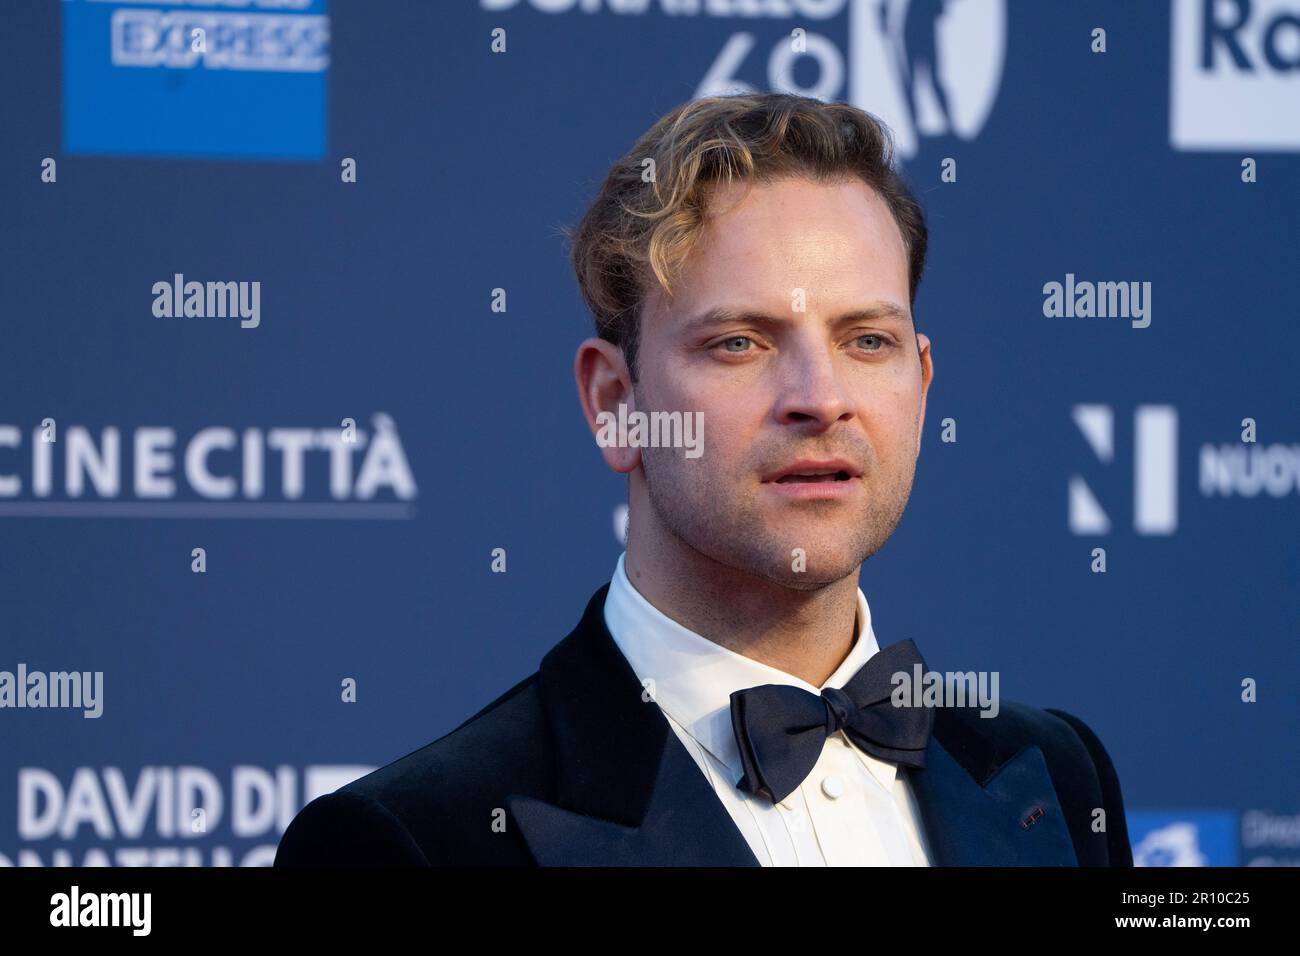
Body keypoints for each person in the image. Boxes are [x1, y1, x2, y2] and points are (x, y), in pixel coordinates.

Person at [275, 92, 1132, 867]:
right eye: (740, 343)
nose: (821, 398)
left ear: (922, 384)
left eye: (867, 340)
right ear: (616, 404)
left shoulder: (1055, 777)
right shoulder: (415, 846)